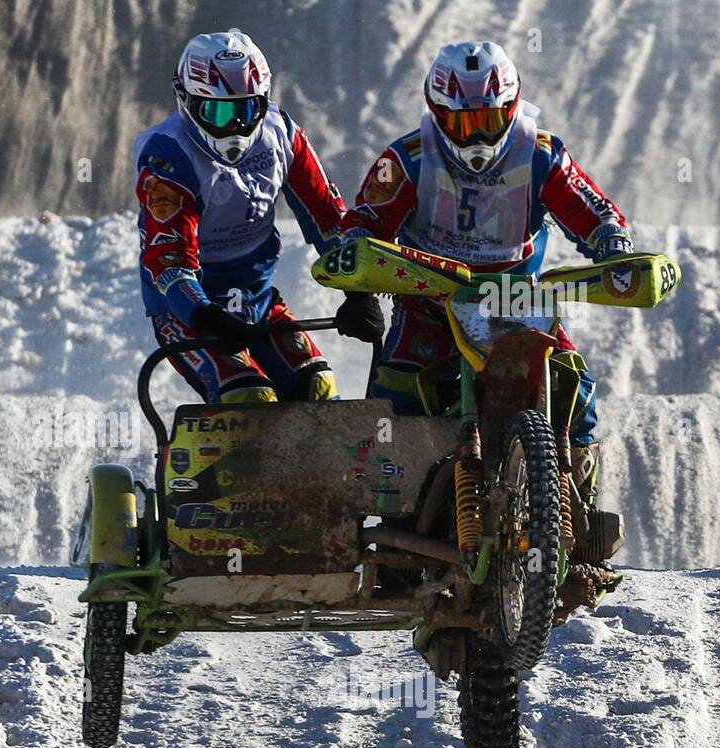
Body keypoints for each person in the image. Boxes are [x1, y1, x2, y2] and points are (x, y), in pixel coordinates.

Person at [341, 40, 633, 507]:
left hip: (516, 304)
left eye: (489, 120)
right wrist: (356, 273)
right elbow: (363, 222)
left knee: (577, 392)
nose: (476, 137)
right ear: (437, 111)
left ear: (513, 107)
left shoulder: (541, 154)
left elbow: (593, 209)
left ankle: (578, 517)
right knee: (392, 394)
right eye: (461, 122)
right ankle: (390, 515)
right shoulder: (408, 157)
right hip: (430, 302)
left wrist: (611, 243)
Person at [136, 30, 384, 405]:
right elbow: (168, 261)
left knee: (318, 388)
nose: (235, 127)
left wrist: (358, 288)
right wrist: (203, 315)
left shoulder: (281, 133)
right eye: (220, 112)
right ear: (187, 101)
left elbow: (329, 219)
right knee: (250, 398)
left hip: (260, 301)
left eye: (248, 109)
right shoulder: (168, 157)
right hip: (186, 312)